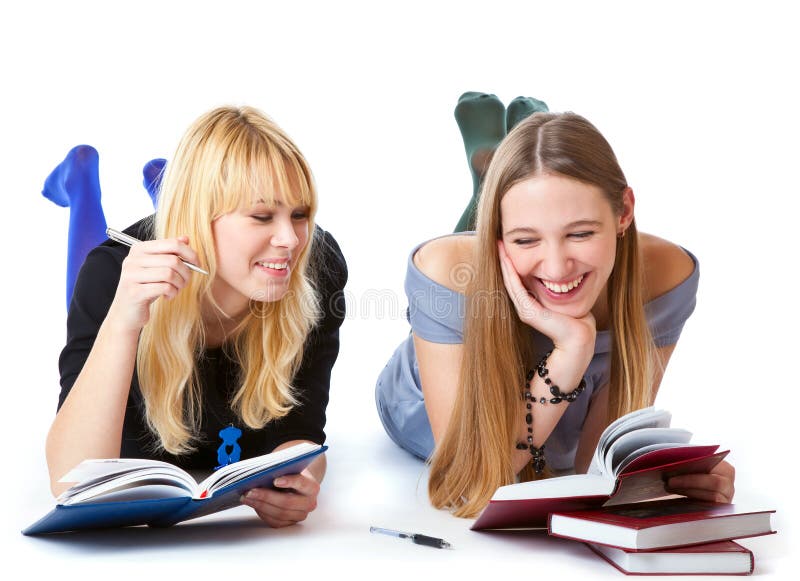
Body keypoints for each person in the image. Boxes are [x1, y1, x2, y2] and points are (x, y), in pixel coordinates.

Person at [375, 107, 734, 518]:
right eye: (525, 239)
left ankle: (497, 184)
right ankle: (488, 187)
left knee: (526, 243)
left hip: (550, 414)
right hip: (425, 396)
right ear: (499, 237)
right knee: (468, 271)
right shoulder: (440, 270)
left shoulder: (665, 275)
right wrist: (571, 350)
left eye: (580, 233)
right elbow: (471, 484)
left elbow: (595, 470)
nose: (557, 267)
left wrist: (669, 479)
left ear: (624, 212)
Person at [46, 106, 347, 528]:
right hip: (135, 270)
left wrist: (301, 481)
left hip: (202, 241)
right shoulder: (112, 276)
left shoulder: (317, 266)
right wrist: (122, 321)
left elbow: (302, 427)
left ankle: (166, 185)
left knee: (225, 256)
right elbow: (70, 482)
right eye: (262, 215)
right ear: (200, 221)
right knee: (92, 269)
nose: (291, 239)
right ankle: (81, 185)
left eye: (300, 214)